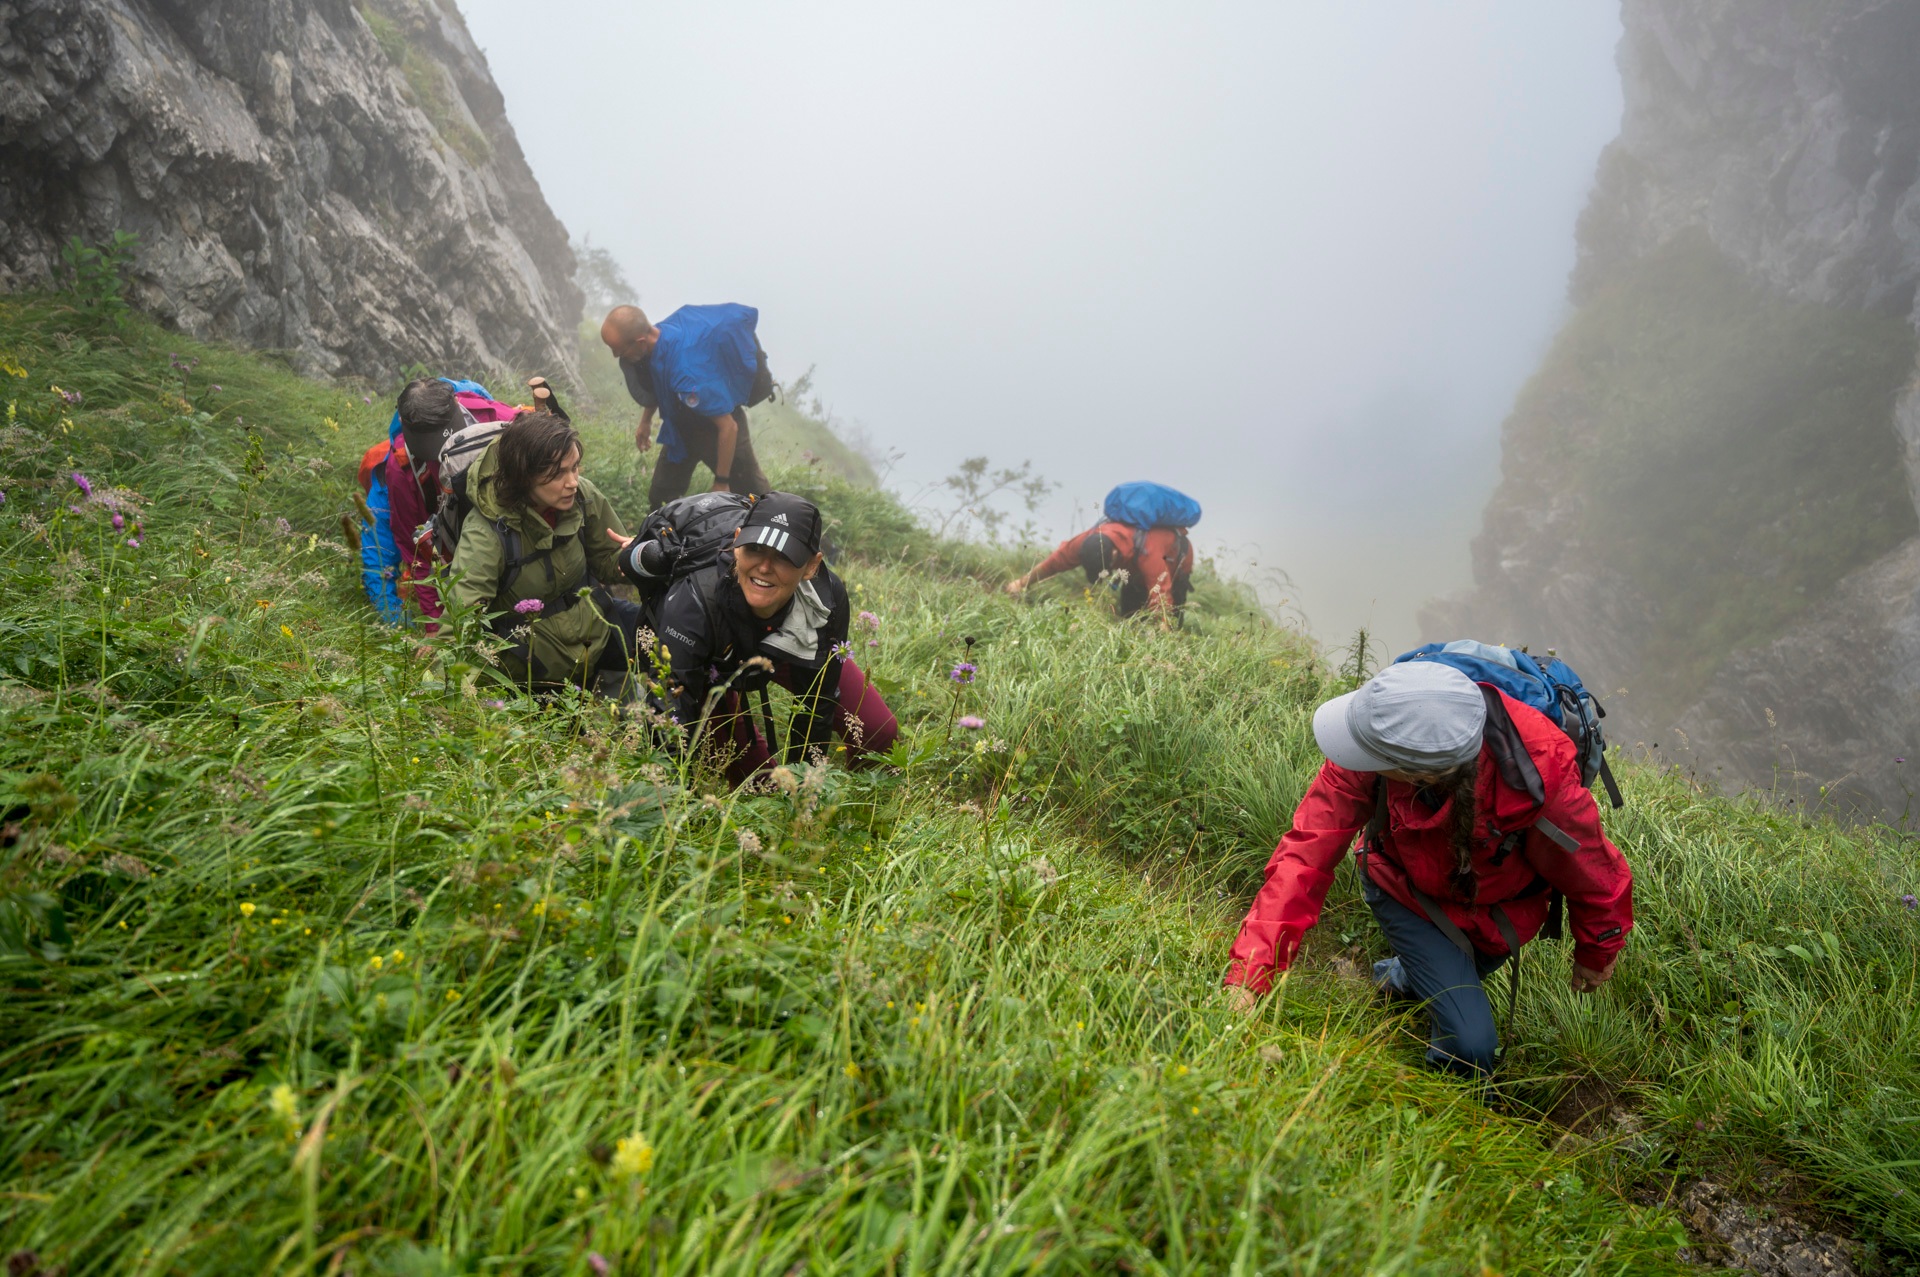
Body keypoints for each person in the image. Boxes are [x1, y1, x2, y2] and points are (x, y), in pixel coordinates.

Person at [1223, 661, 1633, 1077]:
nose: (1350, 754)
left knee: (1450, 977)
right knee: (1472, 1047)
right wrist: (1249, 973)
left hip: (1498, 914)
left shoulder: (1539, 776)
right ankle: (1454, 1098)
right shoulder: (1379, 736)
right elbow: (1305, 856)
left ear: (1420, 775)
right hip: (1403, 890)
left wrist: (1597, 951)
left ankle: (1403, 977)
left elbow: (1592, 870)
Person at [608, 492, 898, 785]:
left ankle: (868, 805)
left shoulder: (824, 602)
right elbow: (669, 723)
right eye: (755, 548)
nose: (764, 567)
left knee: (878, 729)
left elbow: (817, 707)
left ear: (811, 566)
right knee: (761, 786)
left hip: (785, 638)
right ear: (736, 542)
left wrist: (804, 796)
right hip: (713, 658)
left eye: (785, 556)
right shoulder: (696, 601)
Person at [447, 409, 640, 696]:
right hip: (535, 671)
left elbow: (607, 561)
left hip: (596, 634)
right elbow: (461, 625)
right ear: (523, 476)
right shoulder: (487, 533)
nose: (572, 481)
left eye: (575, 467)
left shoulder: (581, 496)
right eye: (559, 473)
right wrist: (446, 693)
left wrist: (633, 557)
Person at [599, 303, 774, 508]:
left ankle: (780, 531)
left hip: (717, 429)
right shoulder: (659, 337)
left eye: (619, 352)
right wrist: (645, 421)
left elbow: (729, 426)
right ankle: (668, 535)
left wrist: (721, 482)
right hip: (681, 428)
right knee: (661, 497)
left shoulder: (687, 374)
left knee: (757, 499)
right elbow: (658, 379)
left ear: (640, 342)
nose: (616, 356)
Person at [383, 377, 520, 621]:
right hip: (460, 553)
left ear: (458, 402)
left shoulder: (498, 419)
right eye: (433, 450)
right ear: (403, 423)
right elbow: (417, 547)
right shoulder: (402, 470)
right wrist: (434, 620)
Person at [1006, 519, 1195, 621]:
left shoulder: (1148, 550)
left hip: (1174, 566)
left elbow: (1161, 596)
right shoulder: (1085, 542)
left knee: (1170, 621)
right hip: (1134, 573)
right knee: (1129, 619)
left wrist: (1164, 630)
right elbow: (1052, 564)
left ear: (1113, 555)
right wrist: (1021, 583)